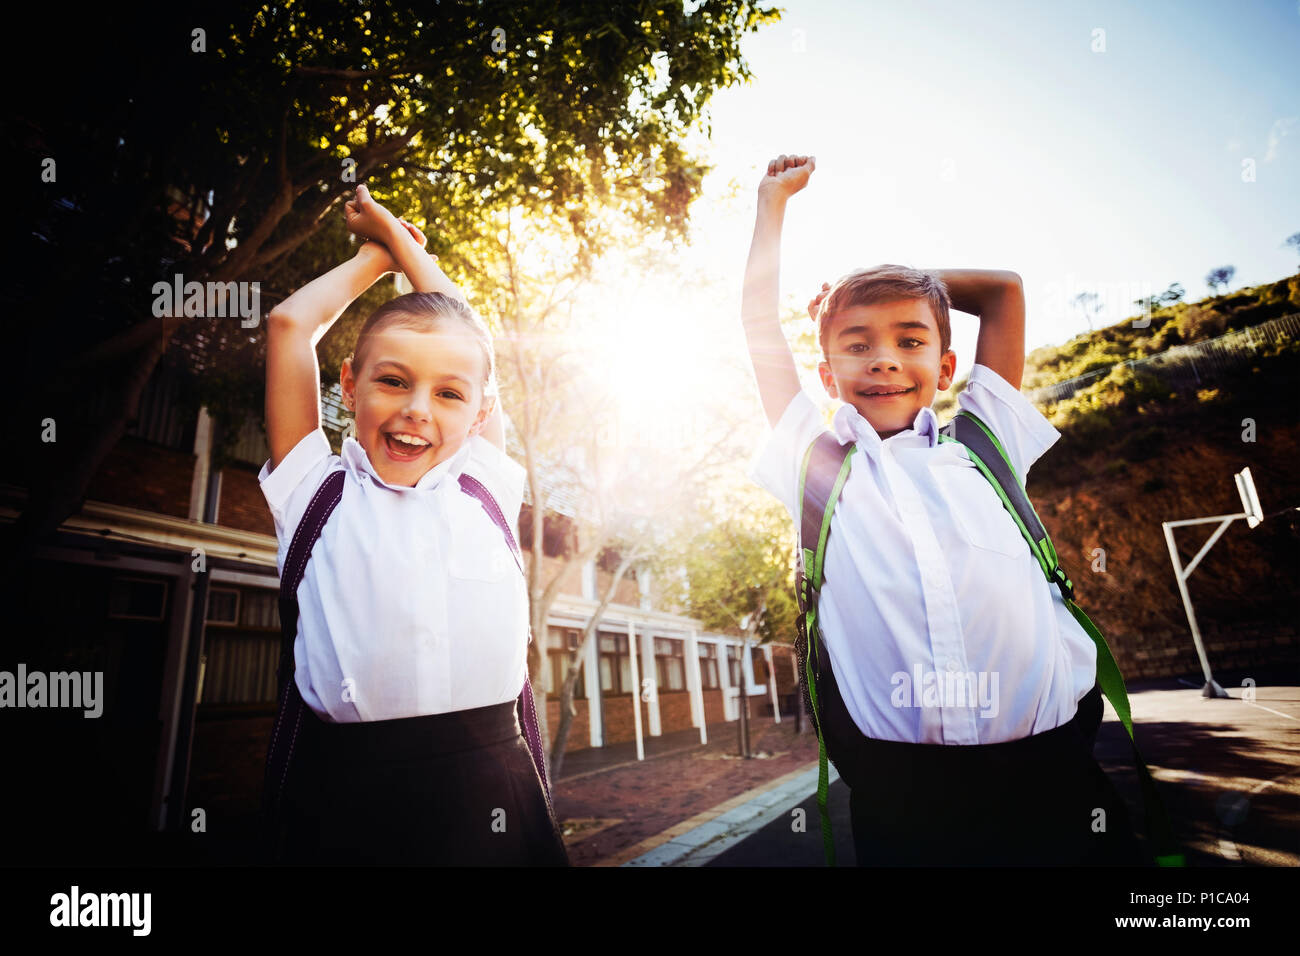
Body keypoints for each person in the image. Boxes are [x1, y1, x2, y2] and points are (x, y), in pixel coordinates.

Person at [741, 154, 1145, 865]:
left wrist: (902, 283)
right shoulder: (819, 464)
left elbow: (1003, 290)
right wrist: (772, 204)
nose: (885, 359)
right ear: (828, 376)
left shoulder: (986, 443)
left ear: (947, 368)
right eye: (857, 345)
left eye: (911, 340)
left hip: (1053, 775)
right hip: (907, 798)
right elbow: (757, 327)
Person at [259, 184, 569, 866]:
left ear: (482, 410)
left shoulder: (483, 482)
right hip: (347, 795)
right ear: (349, 383)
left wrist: (403, 246)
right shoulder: (314, 492)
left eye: (449, 393)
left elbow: (471, 337)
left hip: (494, 785)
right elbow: (288, 324)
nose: (417, 409)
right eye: (393, 381)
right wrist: (379, 254)